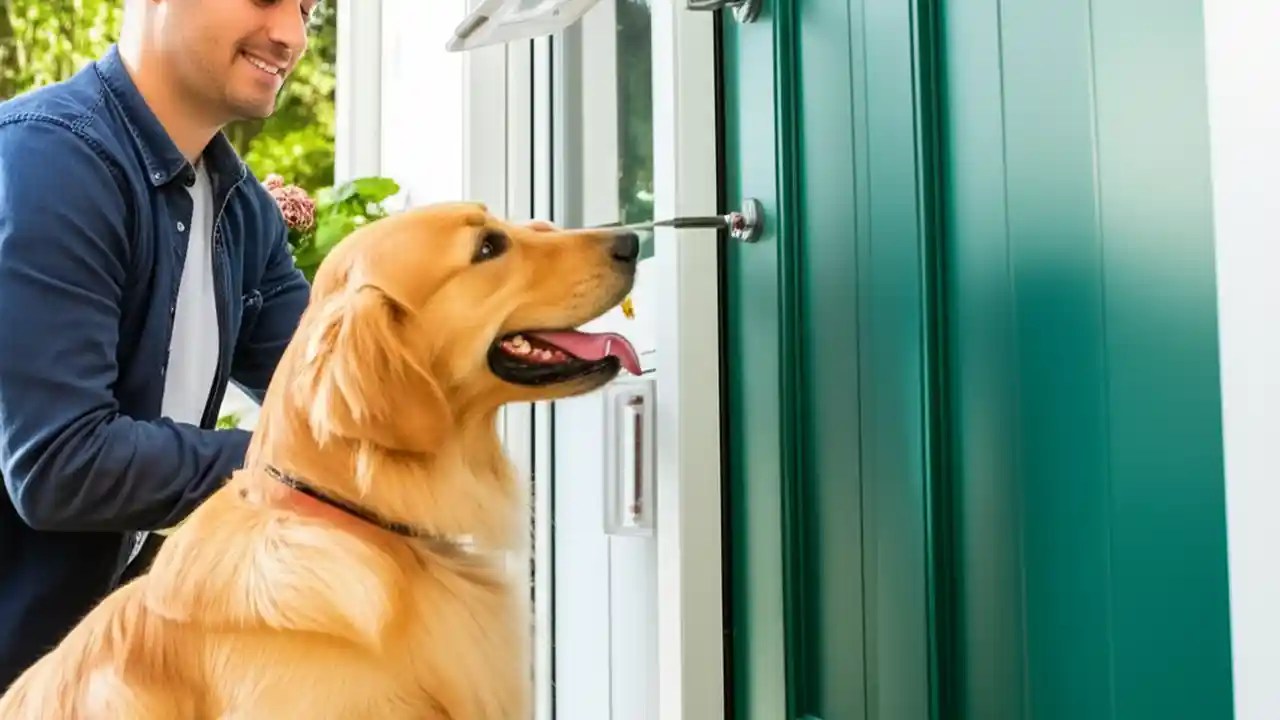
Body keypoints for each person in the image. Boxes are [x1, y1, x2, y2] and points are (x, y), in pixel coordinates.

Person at [0, 0, 318, 690]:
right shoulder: (50, 157)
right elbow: (61, 464)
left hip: (87, 680)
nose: (291, 33)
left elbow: (336, 386)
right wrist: (291, 471)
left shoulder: (241, 209)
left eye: (307, 7)